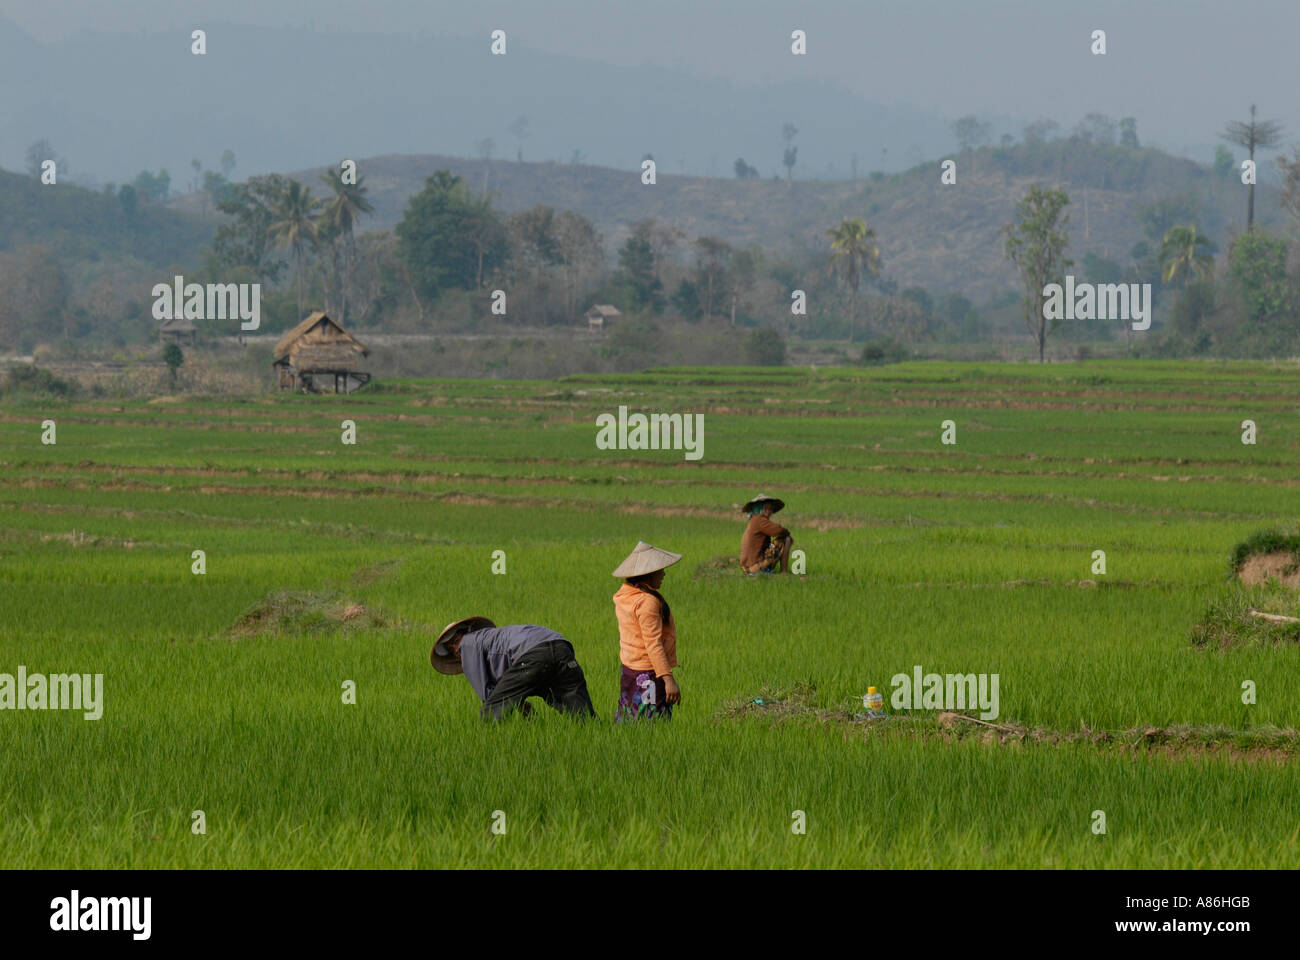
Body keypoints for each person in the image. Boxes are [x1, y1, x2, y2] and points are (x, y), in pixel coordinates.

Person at [431, 617, 596, 721]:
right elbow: (512, 684)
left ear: (458, 638)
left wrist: (510, 704)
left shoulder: (467, 644)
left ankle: (495, 748)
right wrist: (519, 702)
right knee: (583, 717)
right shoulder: (492, 637)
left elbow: (488, 694)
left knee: (490, 712)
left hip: (533, 655)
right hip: (561, 647)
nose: (455, 651)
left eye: (452, 646)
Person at [611, 541, 682, 721]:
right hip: (648, 673)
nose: (664, 573)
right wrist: (668, 680)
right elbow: (653, 644)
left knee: (631, 719)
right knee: (653, 724)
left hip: (629, 670)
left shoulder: (625, 595)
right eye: (660, 570)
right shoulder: (647, 602)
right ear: (648, 574)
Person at [740, 493, 793, 574]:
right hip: (754, 566)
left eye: (770, 509)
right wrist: (786, 532)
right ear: (759, 509)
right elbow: (778, 530)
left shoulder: (754, 520)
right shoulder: (759, 520)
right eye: (765, 508)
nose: (768, 511)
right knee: (787, 539)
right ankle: (784, 571)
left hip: (747, 566)